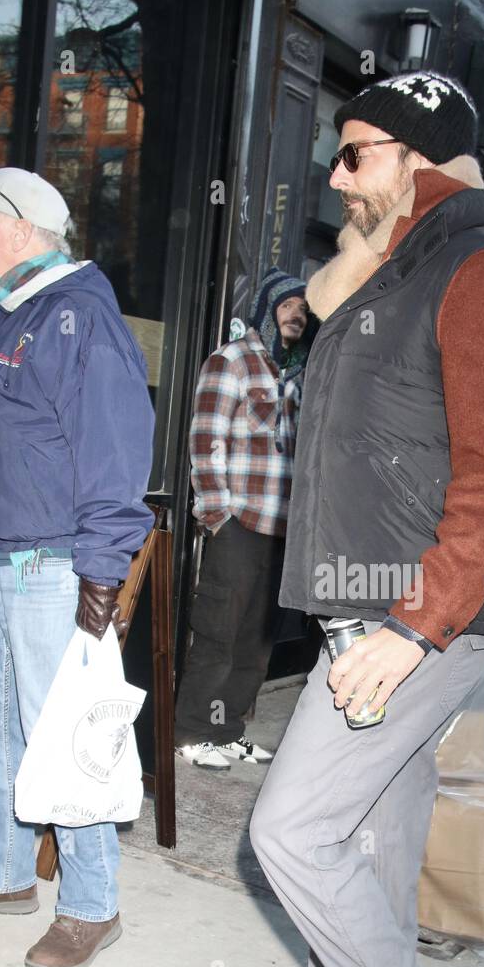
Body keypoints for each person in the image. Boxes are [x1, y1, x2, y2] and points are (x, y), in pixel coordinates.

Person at [239, 71, 484, 967]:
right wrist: (366, 236)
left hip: (418, 614)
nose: (333, 173)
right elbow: (313, 309)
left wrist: (414, 628)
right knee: (366, 846)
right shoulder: (409, 260)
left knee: (287, 834)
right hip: (366, 608)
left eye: (354, 153)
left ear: (418, 161)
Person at [0, 168, 154, 967]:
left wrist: (101, 576)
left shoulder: (77, 314)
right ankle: (5, 875)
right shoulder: (15, 314)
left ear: (19, 226)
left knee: (69, 742)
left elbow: (114, 456)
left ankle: (91, 905)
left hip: (53, 571)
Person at [174, 269, 314, 769]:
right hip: (239, 524)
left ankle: (227, 729)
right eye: (287, 305)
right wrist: (217, 516)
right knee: (218, 631)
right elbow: (205, 441)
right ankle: (191, 733)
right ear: (265, 308)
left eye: (304, 306)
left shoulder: (301, 374)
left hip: (283, 531)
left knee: (258, 642)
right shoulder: (231, 361)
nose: (297, 314)